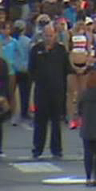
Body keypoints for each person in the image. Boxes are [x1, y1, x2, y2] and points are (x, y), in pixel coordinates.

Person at [29, 24, 71, 160]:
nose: (48, 38)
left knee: (56, 123)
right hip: (41, 92)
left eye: (51, 35)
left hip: (57, 92)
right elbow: (31, 69)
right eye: (46, 35)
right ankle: (37, 149)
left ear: (55, 35)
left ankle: (56, 150)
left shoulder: (61, 50)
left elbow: (67, 69)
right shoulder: (36, 50)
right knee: (40, 122)